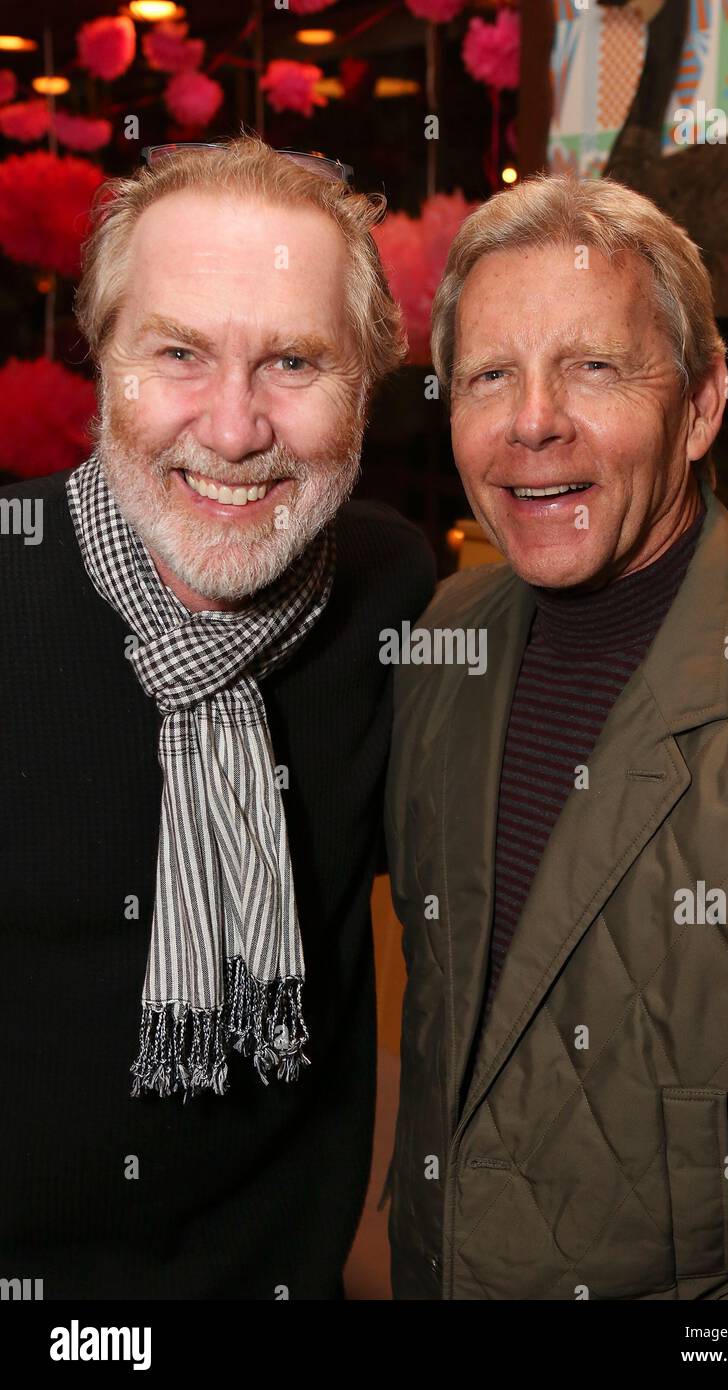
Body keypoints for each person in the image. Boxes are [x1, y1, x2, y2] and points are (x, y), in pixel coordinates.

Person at [384, 174, 728, 1300]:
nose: (531, 418)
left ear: (700, 404)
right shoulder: (438, 645)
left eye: (593, 367)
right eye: (488, 374)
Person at [0, 135, 434, 1299]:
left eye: (294, 361)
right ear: (99, 358)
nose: (233, 430)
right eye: (178, 353)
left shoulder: (397, 597)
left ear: (370, 380)